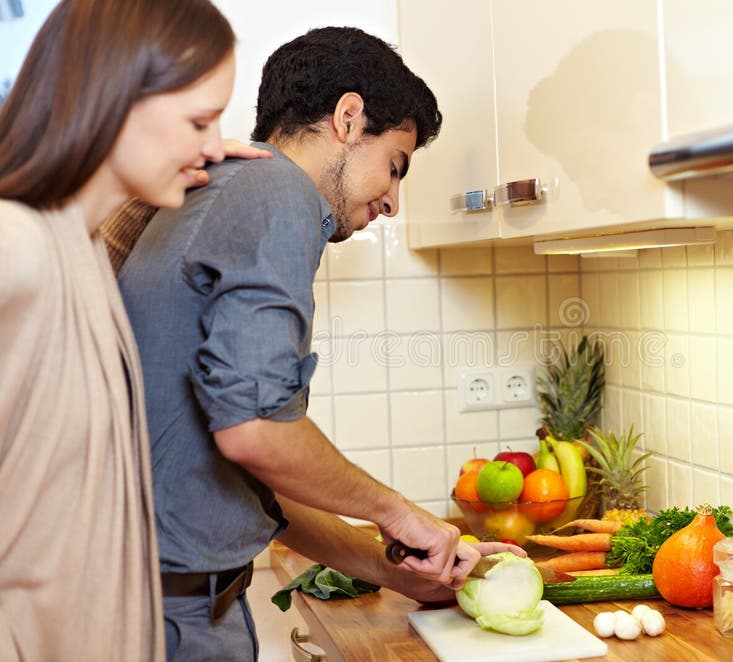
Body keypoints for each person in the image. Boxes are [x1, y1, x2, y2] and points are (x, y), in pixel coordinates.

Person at [112, 26, 521, 660]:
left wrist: (392, 568)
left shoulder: (226, 188)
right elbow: (258, 432)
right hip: (173, 621)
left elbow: (253, 475)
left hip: (161, 606)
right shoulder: (275, 192)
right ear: (348, 119)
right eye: (394, 166)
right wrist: (397, 512)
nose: (392, 201)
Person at [0, 0, 238, 659]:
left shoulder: (76, 245)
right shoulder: (16, 247)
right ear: (115, 98)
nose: (214, 144)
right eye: (200, 120)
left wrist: (190, 159)